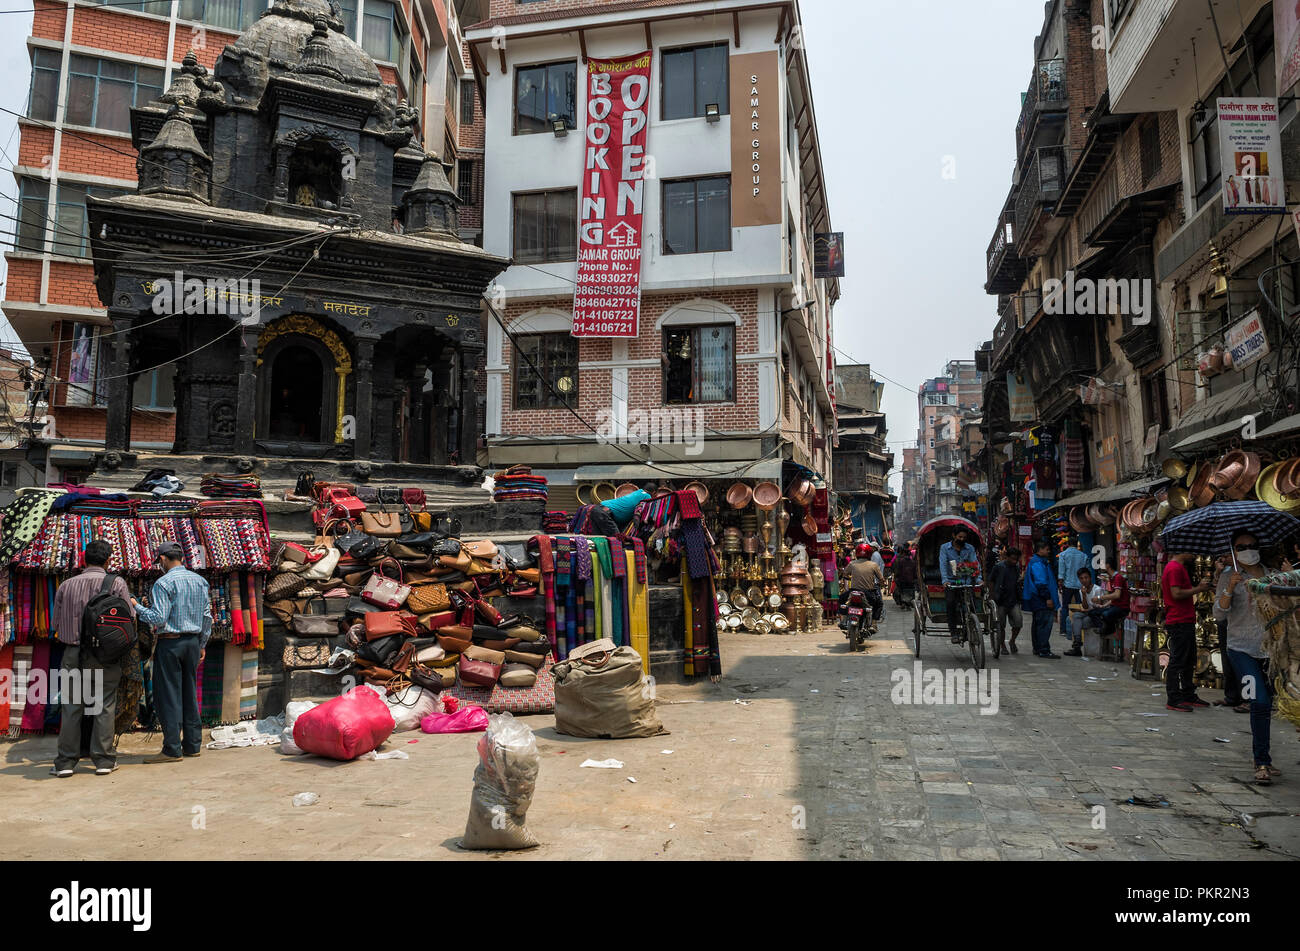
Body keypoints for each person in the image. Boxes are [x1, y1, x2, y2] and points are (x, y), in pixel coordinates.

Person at [49, 539, 135, 777]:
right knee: (104, 705)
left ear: (84, 560)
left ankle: (65, 763)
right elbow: (128, 619)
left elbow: (55, 624)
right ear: (109, 560)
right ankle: (104, 760)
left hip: (72, 653)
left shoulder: (67, 585)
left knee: (72, 707)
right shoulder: (116, 583)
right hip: (105, 654)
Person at [132, 542, 212, 762]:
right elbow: (207, 617)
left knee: (168, 696)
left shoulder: (163, 583)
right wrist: (202, 643)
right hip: (193, 643)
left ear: (164, 559)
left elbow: (158, 618)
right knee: (189, 693)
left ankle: (172, 749)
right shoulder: (200, 581)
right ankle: (193, 745)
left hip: (171, 643)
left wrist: (136, 607)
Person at [1214, 532, 1279, 783]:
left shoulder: (1272, 573)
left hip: (1270, 649)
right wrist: (1230, 587)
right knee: (1259, 701)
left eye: (1252, 545)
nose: (1248, 550)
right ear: (1234, 550)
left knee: (1267, 706)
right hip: (1240, 649)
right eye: (1242, 547)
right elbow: (1219, 613)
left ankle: (1263, 758)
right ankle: (1261, 762)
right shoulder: (1228, 576)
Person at [1161, 550, 1214, 712]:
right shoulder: (1174, 568)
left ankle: (1188, 694)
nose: (1194, 555)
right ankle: (1174, 698)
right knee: (1178, 660)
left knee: (1188, 659)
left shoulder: (1178, 567)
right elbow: (1176, 593)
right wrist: (1198, 589)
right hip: (1179, 620)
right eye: (1192, 551)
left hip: (1184, 619)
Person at [938, 527, 981, 645]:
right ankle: (954, 632)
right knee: (950, 603)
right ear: (954, 536)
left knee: (972, 602)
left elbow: (975, 564)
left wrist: (978, 579)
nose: (961, 539)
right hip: (952, 582)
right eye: (959, 537)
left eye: (964, 538)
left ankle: (972, 628)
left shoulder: (970, 548)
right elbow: (942, 564)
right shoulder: (945, 548)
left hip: (966, 581)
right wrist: (945, 580)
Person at [1023, 539, 1061, 658]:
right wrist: (1048, 598)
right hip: (1041, 599)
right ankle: (1044, 649)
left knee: (1038, 624)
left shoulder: (1039, 562)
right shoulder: (1038, 563)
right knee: (1044, 624)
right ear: (1040, 550)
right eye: (1047, 549)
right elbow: (1041, 583)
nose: (1048, 551)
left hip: (1037, 598)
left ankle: (1038, 648)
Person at [843, 542, 885, 630]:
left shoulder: (852, 563)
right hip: (868, 593)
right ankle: (873, 623)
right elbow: (881, 579)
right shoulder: (873, 565)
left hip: (853, 591)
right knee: (879, 603)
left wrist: (850, 578)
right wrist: (882, 584)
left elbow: (845, 574)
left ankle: (843, 620)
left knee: (843, 601)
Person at [989, 546, 1023, 654]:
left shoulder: (1016, 567)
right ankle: (1002, 645)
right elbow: (991, 581)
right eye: (1012, 558)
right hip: (1001, 600)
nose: (1014, 561)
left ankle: (1012, 641)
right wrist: (992, 595)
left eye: (1016, 559)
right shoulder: (999, 567)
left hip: (1013, 600)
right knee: (1000, 625)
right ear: (1007, 557)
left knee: (1018, 622)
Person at [1066, 567, 1106, 656]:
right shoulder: (1081, 590)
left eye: (1086, 577)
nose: (1084, 580)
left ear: (1090, 578)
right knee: (1076, 616)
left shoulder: (1097, 589)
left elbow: (1099, 607)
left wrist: (1087, 610)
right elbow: (1085, 606)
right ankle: (1077, 644)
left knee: (1079, 623)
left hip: (1096, 616)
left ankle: (1077, 647)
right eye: (1081, 578)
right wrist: (1084, 594)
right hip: (1088, 613)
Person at [1057, 538, 1089, 642]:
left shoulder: (1063, 555)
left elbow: (1061, 571)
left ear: (1068, 544)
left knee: (1065, 607)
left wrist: (1060, 582)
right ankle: (1079, 631)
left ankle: (1063, 630)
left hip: (1068, 584)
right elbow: (1086, 570)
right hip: (1080, 585)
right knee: (1081, 607)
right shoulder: (1083, 556)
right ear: (1077, 544)